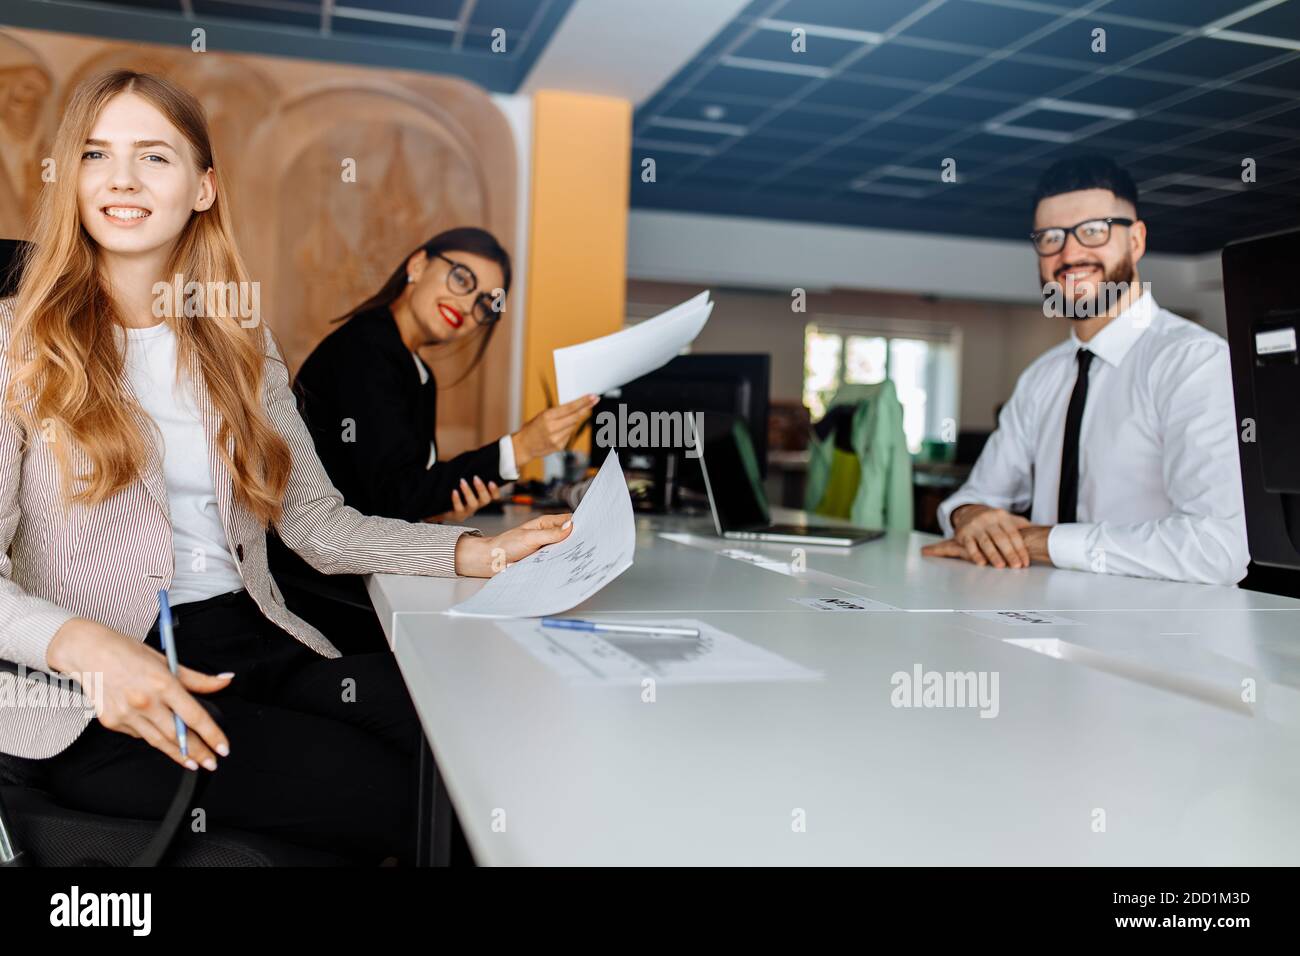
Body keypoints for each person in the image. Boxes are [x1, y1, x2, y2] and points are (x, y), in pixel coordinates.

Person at [0, 70, 572, 863]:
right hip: (90, 692)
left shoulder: (238, 341)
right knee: (413, 800)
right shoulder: (17, 342)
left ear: (203, 189)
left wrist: (476, 550)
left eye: (154, 158)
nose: (122, 179)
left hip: (250, 639)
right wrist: (84, 648)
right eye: (97, 153)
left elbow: (314, 523)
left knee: (475, 730)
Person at [923, 156, 1248, 587]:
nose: (1070, 253)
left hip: (1166, 640)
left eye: (1093, 231)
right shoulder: (1042, 377)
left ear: (1136, 240)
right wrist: (972, 516)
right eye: (1050, 237)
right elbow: (979, 494)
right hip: (1042, 626)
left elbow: (1218, 548)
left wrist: (1044, 542)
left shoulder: (1194, 363)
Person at [294, 227, 596, 524]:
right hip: (318, 570)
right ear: (418, 265)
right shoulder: (366, 349)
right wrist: (521, 447)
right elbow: (390, 497)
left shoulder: (419, 373)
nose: (467, 306)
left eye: (483, 304)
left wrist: (438, 508)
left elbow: (402, 490)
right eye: (462, 278)